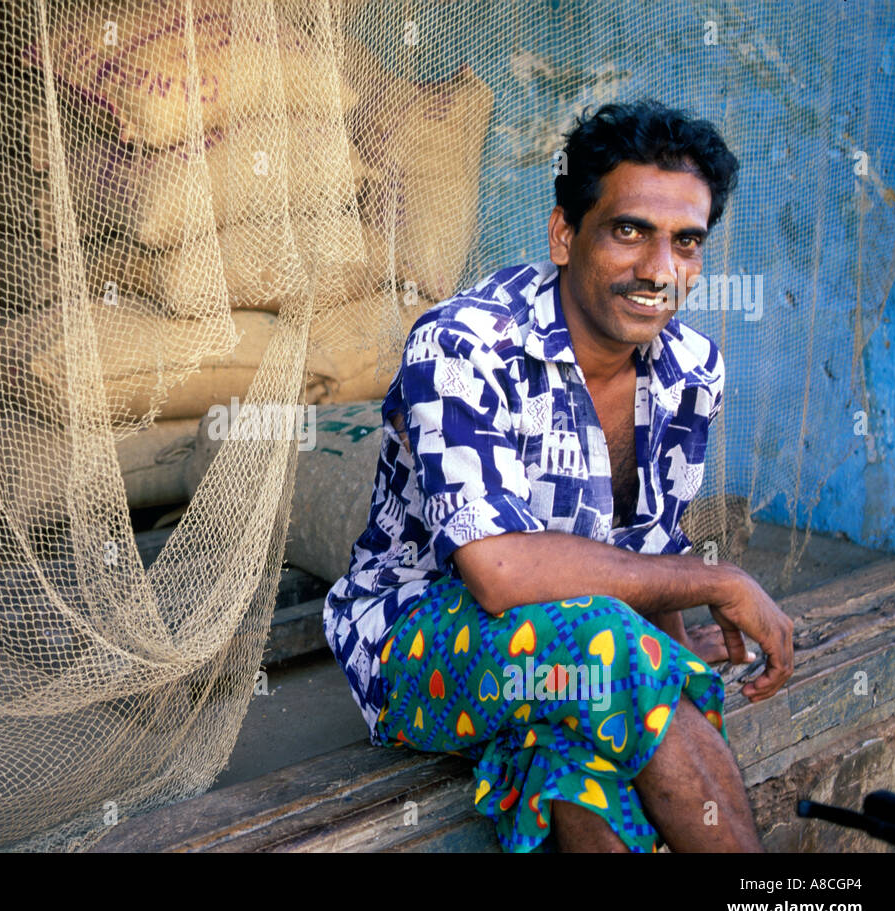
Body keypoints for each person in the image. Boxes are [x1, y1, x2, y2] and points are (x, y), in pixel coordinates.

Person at [322, 100, 794, 852]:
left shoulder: (691, 371)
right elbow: (499, 572)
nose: (658, 272)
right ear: (565, 234)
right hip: (417, 644)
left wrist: (667, 667)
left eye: (686, 243)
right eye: (629, 231)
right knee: (604, 644)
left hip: (572, 652)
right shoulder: (464, 344)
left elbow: (649, 556)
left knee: (578, 763)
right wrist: (721, 583)